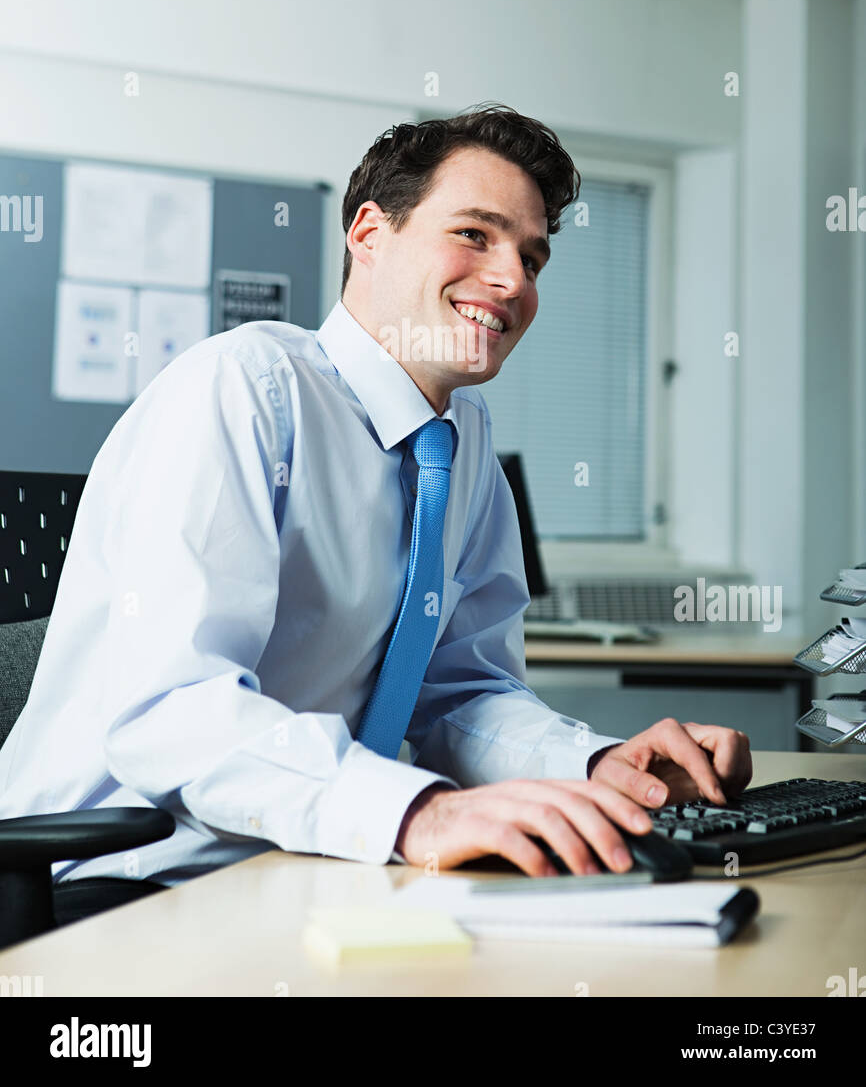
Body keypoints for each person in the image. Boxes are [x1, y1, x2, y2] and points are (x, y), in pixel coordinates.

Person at [0, 104, 751, 894]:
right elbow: (173, 711)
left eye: (533, 258)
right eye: (475, 234)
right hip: (122, 878)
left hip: (304, 861)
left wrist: (598, 765)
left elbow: (459, 696)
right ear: (367, 233)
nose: (512, 281)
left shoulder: (461, 445)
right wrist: (420, 816)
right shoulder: (243, 391)